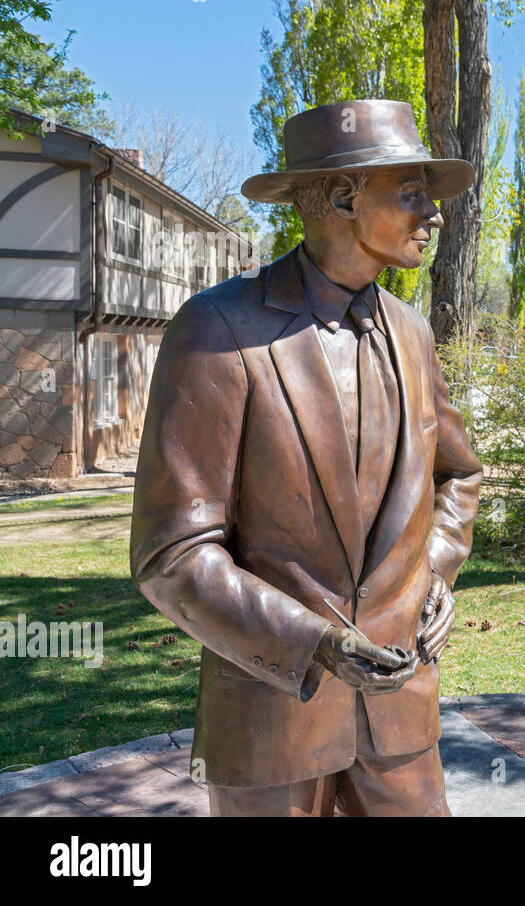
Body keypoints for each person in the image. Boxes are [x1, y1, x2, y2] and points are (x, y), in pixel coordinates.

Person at [130, 99, 483, 816]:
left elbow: (459, 475)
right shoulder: (220, 329)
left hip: (402, 716)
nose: (435, 215)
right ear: (346, 197)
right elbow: (173, 554)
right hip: (271, 715)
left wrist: (434, 577)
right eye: (413, 194)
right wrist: (315, 643)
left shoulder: (413, 333)